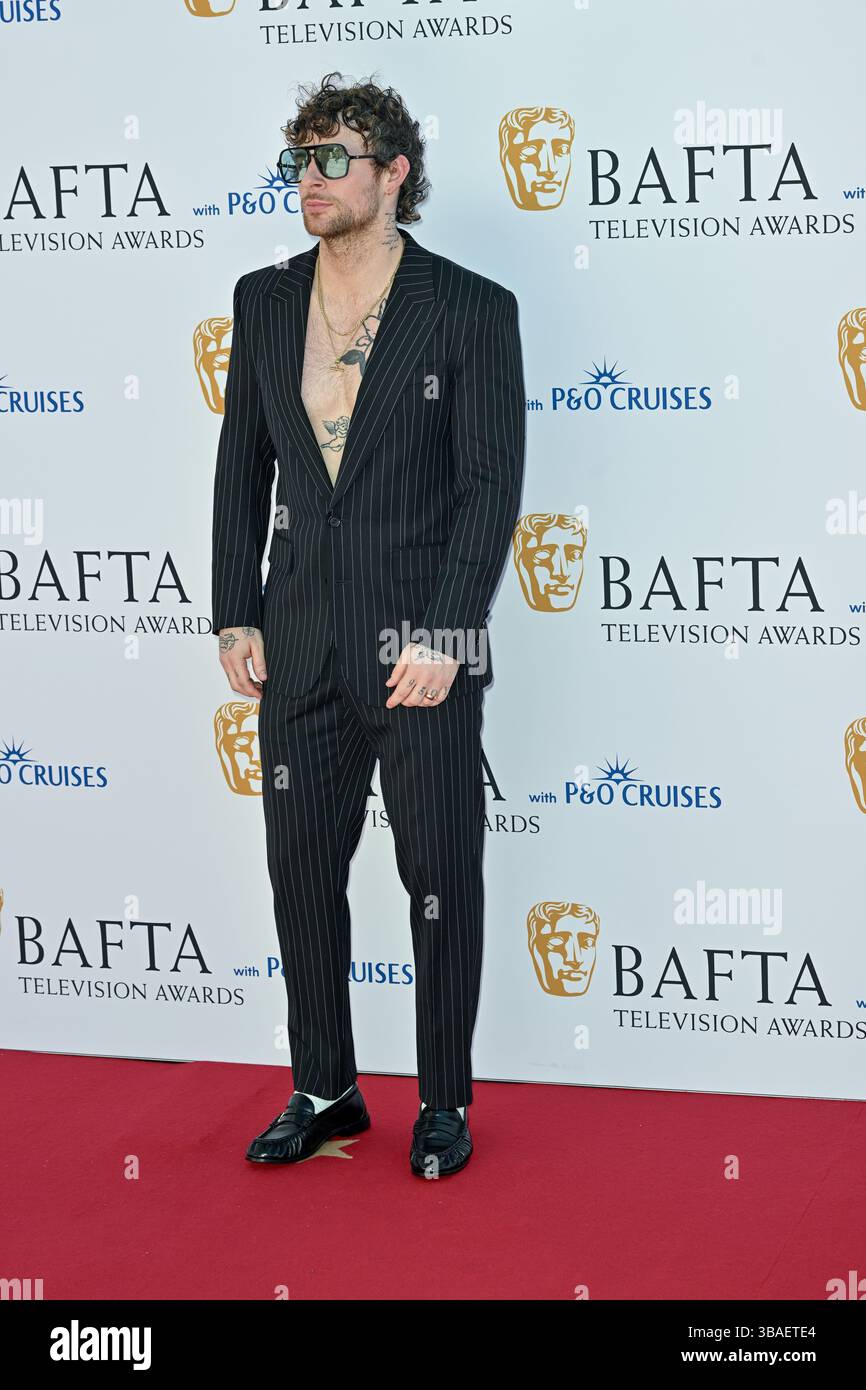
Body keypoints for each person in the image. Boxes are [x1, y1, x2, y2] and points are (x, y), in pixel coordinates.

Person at [211, 71, 525, 1178]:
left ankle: (441, 1098)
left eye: (334, 158)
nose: (311, 177)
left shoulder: (471, 309)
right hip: (295, 639)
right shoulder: (261, 298)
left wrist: (445, 634)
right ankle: (327, 1086)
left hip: (419, 644)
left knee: (438, 870)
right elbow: (241, 468)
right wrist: (233, 610)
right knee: (301, 869)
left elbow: (488, 486)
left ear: (394, 175)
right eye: (301, 158)